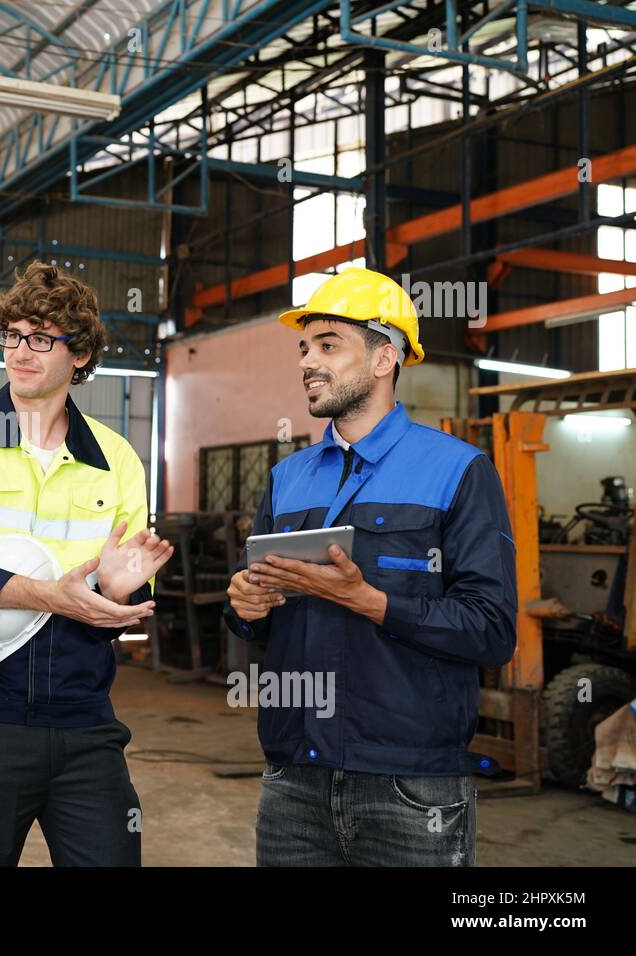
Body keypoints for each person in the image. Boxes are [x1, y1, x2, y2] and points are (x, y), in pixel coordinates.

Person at [224, 267, 518, 867]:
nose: (309, 361)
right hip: (293, 779)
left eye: (329, 345)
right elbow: (257, 615)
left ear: (385, 357)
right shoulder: (288, 478)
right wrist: (246, 609)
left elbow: (491, 629)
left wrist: (370, 601)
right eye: (305, 347)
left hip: (410, 789)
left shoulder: (458, 470)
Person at [0, 261, 172, 867]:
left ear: (81, 355)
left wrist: (120, 591)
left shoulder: (117, 459)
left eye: (42, 338)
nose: (21, 351)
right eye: (12, 335)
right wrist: (50, 594)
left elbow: (117, 590)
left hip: (83, 717)